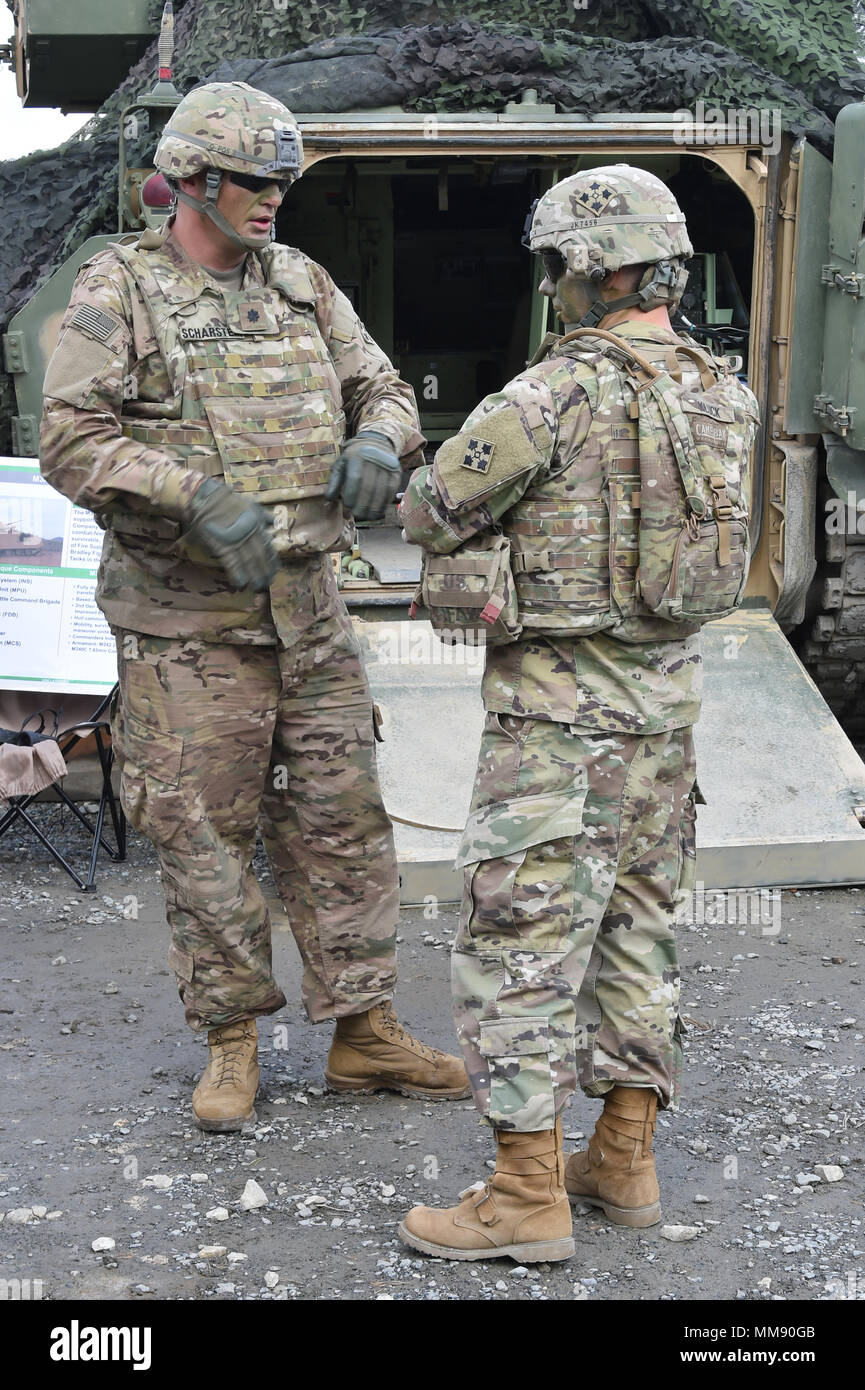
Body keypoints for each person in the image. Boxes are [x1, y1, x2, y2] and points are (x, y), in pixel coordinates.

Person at [39, 81, 468, 1132]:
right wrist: (189, 494)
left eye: (281, 181)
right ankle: (231, 1042)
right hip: (188, 632)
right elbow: (70, 439)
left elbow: (383, 386)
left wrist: (380, 441)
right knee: (203, 838)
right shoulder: (122, 289)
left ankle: (362, 1030)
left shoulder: (302, 284)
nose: (272, 199)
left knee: (342, 825)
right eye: (251, 183)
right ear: (191, 182)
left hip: (310, 617)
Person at [397, 165, 758, 1262]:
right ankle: (622, 1158)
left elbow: (429, 504)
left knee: (520, 943)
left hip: (552, 732)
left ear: (586, 270)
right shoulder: (725, 393)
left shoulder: (544, 396)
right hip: (665, 727)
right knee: (637, 936)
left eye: (557, 269)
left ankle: (522, 1196)